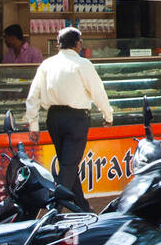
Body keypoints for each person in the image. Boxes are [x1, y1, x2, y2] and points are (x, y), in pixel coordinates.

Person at [25, 26, 113, 212]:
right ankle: (54, 209)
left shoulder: (47, 64)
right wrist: (108, 115)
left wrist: (34, 125)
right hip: (76, 119)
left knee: (68, 164)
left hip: (54, 118)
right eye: (81, 41)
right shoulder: (82, 64)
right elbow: (98, 92)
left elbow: (33, 95)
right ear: (77, 44)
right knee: (69, 165)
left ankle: (82, 206)